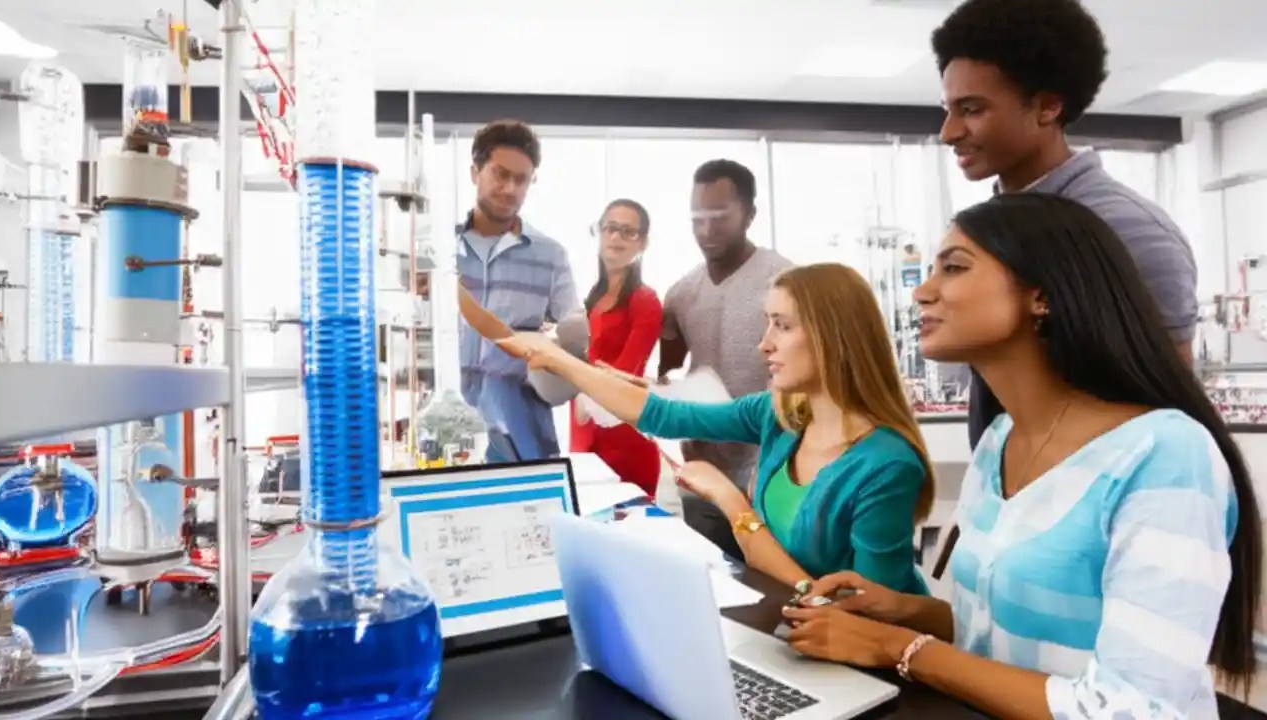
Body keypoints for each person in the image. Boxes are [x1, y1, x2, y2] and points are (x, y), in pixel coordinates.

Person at [781, 194, 1261, 720]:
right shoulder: (999, 440)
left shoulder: (1164, 455)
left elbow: (1133, 709)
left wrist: (897, 647)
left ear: (1042, 296)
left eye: (954, 268)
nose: (922, 291)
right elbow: (1003, 639)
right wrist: (903, 612)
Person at [499, 263, 935, 594]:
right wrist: (563, 363)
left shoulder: (885, 466)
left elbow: (866, 620)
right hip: (794, 628)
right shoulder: (780, 415)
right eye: (768, 323)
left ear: (834, 338)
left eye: (782, 326)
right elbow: (663, 415)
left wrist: (731, 502)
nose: (764, 343)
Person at [931, 0, 1199, 447]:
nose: (948, 131)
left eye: (972, 110)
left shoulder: (1131, 232)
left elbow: (1171, 414)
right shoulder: (989, 231)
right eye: (948, 109)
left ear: (1047, 107)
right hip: (1010, 477)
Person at [660, 159, 793, 558]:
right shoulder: (681, 293)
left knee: (770, 586)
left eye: (719, 218)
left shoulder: (784, 282)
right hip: (703, 479)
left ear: (750, 214)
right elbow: (666, 375)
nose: (706, 231)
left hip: (767, 476)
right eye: (697, 219)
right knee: (711, 582)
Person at [456, 119, 579, 461]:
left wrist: (560, 341)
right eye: (500, 174)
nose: (510, 188)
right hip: (444, 436)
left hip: (522, 438)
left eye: (521, 179)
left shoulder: (550, 256)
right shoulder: (437, 250)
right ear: (475, 172)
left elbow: (574, 337)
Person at [570, 199, 663, 495]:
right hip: (583, 433)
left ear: (643, 242)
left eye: (628, 232)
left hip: (623, 440)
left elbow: (625, 373)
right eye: (610, 228)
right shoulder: (590, 300)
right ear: (598, 232)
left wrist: (580, 384)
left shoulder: (645, 300)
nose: (616, 237)